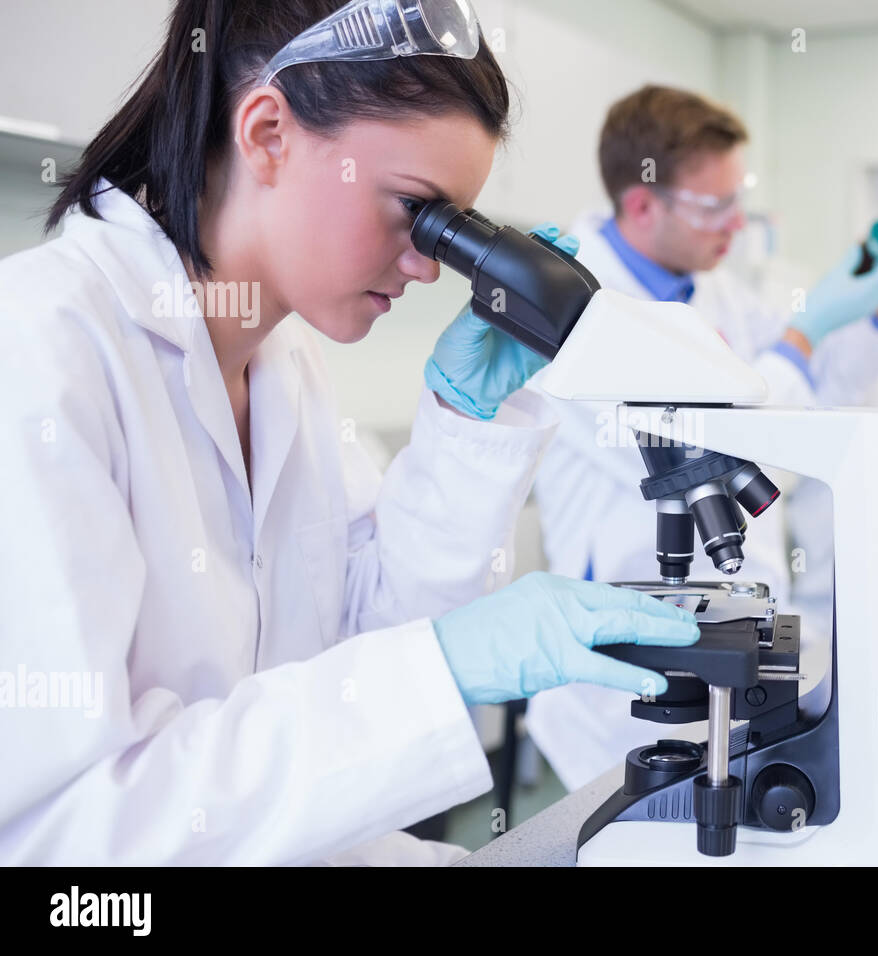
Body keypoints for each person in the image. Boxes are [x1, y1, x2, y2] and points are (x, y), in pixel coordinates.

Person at [0, 0, 701, 866]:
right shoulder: (37, 356)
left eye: (453, 227)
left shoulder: (284, 362)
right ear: (266, 134)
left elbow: (363, 640)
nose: (429, 262)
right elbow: (66, 835)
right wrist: (444, 667)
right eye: (414, 209)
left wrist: (463, 420)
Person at [524, 84, 878, 791]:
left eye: (738, 200)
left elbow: (814, 391)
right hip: (621, 688)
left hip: (734, 627)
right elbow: (698, 441)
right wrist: (801, 332)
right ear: (640, 202)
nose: (735, 225)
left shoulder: (716, 289)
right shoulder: (572, 315)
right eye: (714, 206)